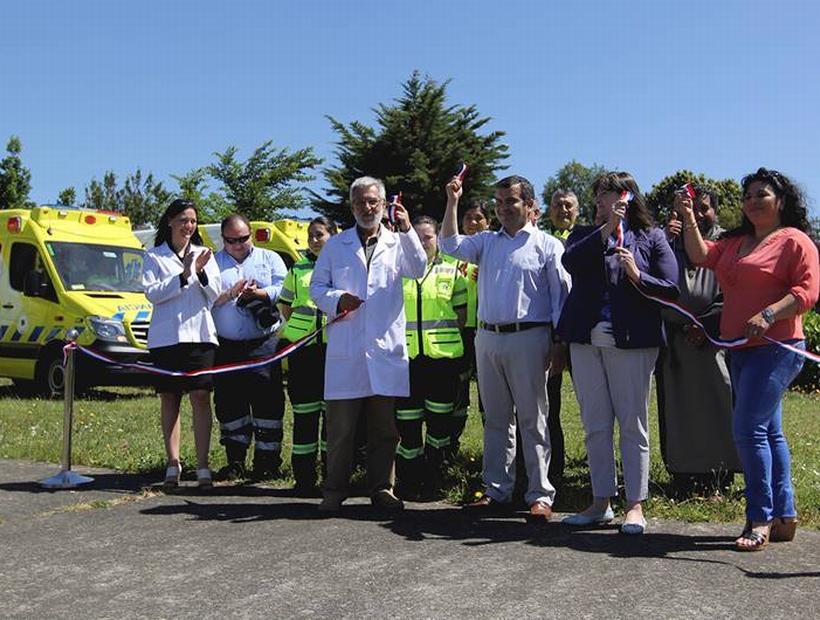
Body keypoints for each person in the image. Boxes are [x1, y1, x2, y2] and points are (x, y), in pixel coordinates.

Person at [679, 168, 819, 551]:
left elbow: (807, 291)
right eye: (749, 196)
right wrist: (689, 216)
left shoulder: (795, 241)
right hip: (739, 349)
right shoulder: (735, 241)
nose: (754, 201)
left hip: (777, 349)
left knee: (747, 430)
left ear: (782, 201)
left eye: (763, 194)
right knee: (768, 432)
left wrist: (770, 314)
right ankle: (784, 515)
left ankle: (758, 517)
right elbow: (699, 254)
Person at [441, 175, 571, 521]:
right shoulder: (485, 242)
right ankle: (497, 490)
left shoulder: (547, 245)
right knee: (496, 419)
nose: (503, 208)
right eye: (498, 202)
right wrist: (453, 201)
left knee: (534, 419)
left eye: (510, 201)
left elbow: (560, 299)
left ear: (529, 205)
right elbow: (449, 245)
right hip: (487, 338)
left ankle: (540, 494)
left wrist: (559, 343)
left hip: (531, 337)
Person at [557, 172, 679, 534]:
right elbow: (572, 263)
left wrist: (639, 275)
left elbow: (672, 287)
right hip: (586, 341)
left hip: (632, 342)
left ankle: (635, 505)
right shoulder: (584, 235)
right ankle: (600, 502)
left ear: (627, 198)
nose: (598, 201)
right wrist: (608, 227)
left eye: (606, 196)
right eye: (596, 196)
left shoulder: (652, 237)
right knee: (595, 426)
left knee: (632, 424)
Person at [309, 176, 427, 513]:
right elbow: (317, 288)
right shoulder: (336, 245)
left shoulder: (397, 242)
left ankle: (382, 488)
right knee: (341, 429)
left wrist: (407, 231)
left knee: (384, 429)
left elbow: (418, 269)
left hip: (384, 349)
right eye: (361, 201)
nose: (367, 207)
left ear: (385, 203)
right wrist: (337, 298)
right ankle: (334, 491)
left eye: (373, 201)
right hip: (347, 350)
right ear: (352, 206)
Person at [658, 186, 740, 494]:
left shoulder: (727, 244)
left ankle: (719, 477)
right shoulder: (666, 241)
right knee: (678, 412)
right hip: (675, 344)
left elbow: (734, 292)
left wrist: (706, 324)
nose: (698, 214)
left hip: (712, 341)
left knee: (718, 405)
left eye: (704, 208)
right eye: (689, 209)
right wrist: (664, 239)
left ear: (714, 211)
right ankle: (682, 476)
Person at [142, 198, 221, 489]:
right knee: (170, 398)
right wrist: (184, 274)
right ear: (170, 222)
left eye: (193, 221)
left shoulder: (205, 254)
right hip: (166, 339)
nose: (189, 226)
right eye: (184, 220)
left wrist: (199, 271)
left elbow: (215, 293)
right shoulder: (154, 256)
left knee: (200, 396)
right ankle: (173, 463)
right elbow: (153, 293)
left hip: (199, 336)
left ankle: (203, 465)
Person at [211, 213, 288, 482]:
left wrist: (261, 294)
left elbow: (285, 288)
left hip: (264, 342)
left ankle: (267, 463)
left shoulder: (269, 259)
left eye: (243, 239)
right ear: (223, 239)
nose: (238, 245)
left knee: (268, 401)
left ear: (251, 235)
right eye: (232, 241)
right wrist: (231, 293)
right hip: (227, 345)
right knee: (230, 403)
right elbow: (205, 299)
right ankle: (235, 461)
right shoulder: (213, 263)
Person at [395, 215, 467, 499]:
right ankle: (409, 481)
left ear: (438, 239)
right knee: (408, 425)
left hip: (443, 361)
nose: (423, 242)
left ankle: (435, 478)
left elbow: (461, 317)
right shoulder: (398, 274)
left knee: (440, 425)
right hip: (408, 360)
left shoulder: (453, 272)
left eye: (428, 236)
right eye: (418, 236)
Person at [278, 216, 338, 494]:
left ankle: (331, 476)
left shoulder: (342, 268)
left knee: (331, 419)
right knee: (304, 416)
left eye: (320, 235)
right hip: (303, 352)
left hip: (334, 351)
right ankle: (303, 479)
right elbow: (286, 307)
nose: (314, 240)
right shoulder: (297, 269)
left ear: (333, 237)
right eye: (311, 235)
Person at [543, 189, 580, 487]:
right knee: (547, 405)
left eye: (568, 205)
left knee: (594, 409)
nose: (562, 210)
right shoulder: (542, 240)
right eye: (557, 205)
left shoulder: (587, 236)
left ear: (578, 210)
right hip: (552, 334)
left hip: (583, 334)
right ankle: (551, 470)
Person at [453, 202, 490, 437]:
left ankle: (494, 441)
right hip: (458, 332)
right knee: (457, 389)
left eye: (479, 218)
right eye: (468, 217)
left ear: (488, 222)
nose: (473, 222)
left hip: (485, 329)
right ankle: (451, 443)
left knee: (489, 391)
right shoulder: (451, 252)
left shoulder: (492, 249)